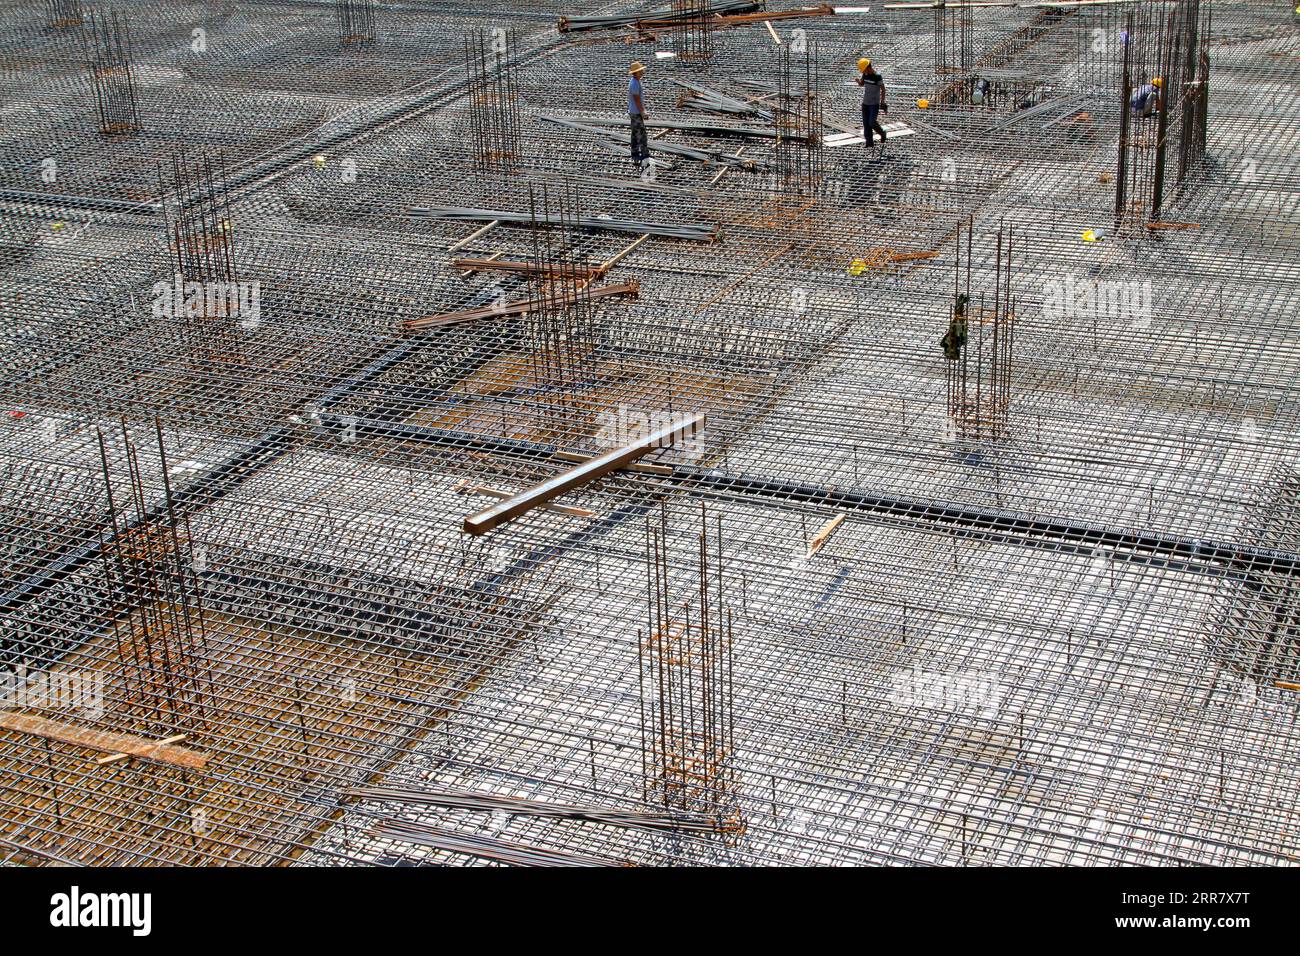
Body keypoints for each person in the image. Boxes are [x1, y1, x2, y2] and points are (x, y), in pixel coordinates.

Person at [855, 58, 887, 155]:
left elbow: (883, 89)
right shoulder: (865, 74)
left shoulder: (877, 76)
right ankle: (869, 143)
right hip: (865, 103)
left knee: (872, 122)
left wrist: (882, 102)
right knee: (866, 124)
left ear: (868, 68)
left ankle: (882, 133)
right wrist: (858, 82)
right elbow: (862, 84)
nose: (863, 72)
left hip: (874, 104)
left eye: (863, 70)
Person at [628, 61, 649, 169]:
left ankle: (635, 152)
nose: (642, 72)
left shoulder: (635, 81)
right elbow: (636, 99)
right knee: (641, 134)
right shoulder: (635, 83)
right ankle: (644, 154)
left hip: (633, 111)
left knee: (635, 133)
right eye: (640, 71)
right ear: (635, 73)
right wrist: (643, 112)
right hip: (636, 112)